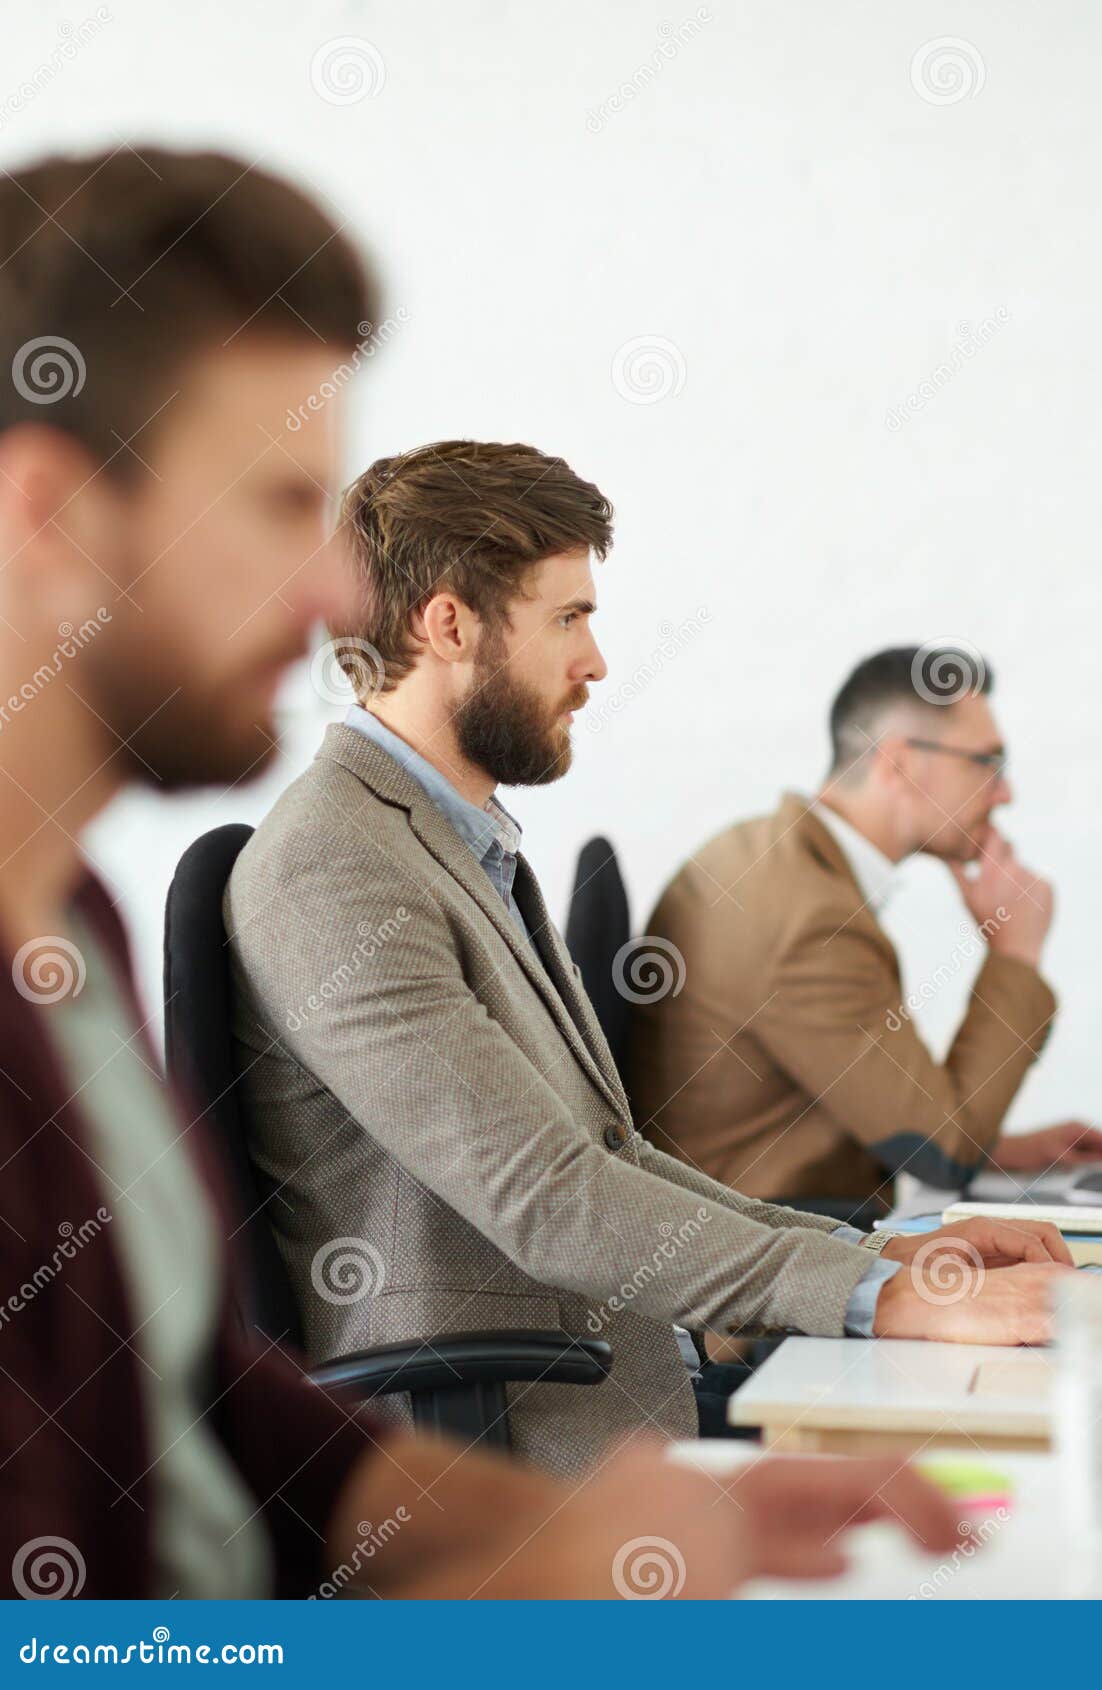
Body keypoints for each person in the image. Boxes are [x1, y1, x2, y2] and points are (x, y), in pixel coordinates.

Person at [0, 143, 965, 1599]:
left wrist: (567, 1534)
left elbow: (208, 1404)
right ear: (55, 517)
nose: (336, 594)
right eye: (276, 506)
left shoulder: (73, 926)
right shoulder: (316, 868)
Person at [225, 441, 1076, 1477]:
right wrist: (885, 1297)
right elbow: (546, 1197)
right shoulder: (335, 866)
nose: (595, 663)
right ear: (447, 623)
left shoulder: (452, 839)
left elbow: (607, 1155)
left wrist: (877, 1260)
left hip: (606, 1385)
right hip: (506, 1457)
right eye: (567, 619)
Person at [630, 646, 1102, 1225]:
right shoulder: (811, 921)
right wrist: (1016, 954)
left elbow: (875, 1113)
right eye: (987, 763)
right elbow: (944, 1152)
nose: (1004, 793)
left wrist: (1000, 1150)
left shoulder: (771, 857)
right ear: (902, 766)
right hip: (760, 1268)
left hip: (760, 1225)